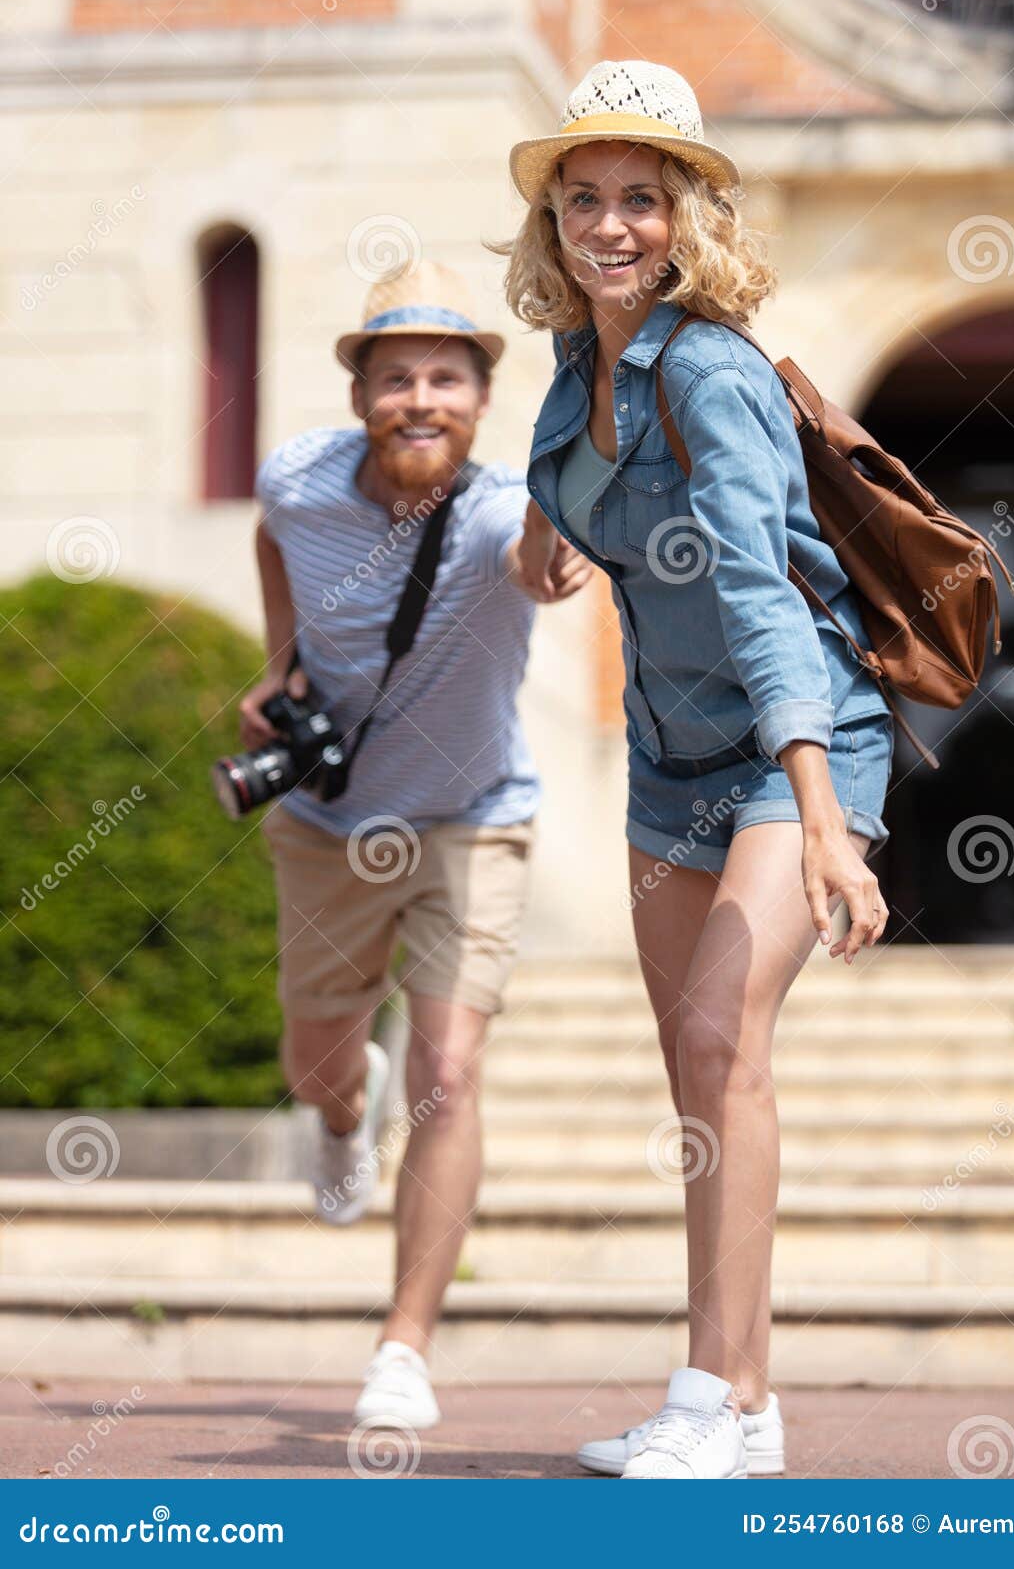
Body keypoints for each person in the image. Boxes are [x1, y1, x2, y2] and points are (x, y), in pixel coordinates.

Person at [498, 59, 894, 1479]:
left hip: (798, 744)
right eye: (584, 200)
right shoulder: (572, 370)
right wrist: (549, 539)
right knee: (697, 1069)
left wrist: (825, 822)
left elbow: (755, 596)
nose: (610, 227)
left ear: (687, 214)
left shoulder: (712, 370)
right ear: (552, 225)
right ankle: (746, 1395)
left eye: (641, 200)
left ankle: (710, 1399)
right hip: (668, 762)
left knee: (723, 1035)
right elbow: (570, 511)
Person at [241, 262, 591, 1432]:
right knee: (316, 1064)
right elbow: (267, 536)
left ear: (481, 399)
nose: (420, 398)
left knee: (447, 1070)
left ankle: (403, 1346)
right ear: (360, 397)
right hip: (330, 820)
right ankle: (344, 1117)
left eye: (446, 376)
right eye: (396, 378)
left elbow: (541, 570)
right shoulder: (295, 478)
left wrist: (559, 527)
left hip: (471, 817)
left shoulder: (499, 507)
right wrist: (280, 662)